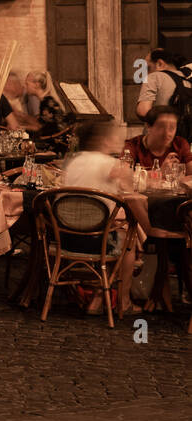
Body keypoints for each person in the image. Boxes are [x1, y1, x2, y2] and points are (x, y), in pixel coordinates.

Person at [59, 120, 136, 316]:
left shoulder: (73, 162)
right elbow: (130, 189)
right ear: (102, 140)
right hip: (96, 241)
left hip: (65, 239)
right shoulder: (109, 164)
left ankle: (99, 297)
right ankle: (124, 301)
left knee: (116, 232)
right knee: (129, 240)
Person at [124, 105, 192, 170]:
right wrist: (159, 173)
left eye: (172, 128)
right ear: (148, 126)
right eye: (161, 127)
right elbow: (123, 176)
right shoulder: (133, 145)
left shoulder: (180, 144)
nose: (167, 133)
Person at [136, 48, 182, 119]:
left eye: (147, 68)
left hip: (161, 128)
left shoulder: (154, 77)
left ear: (160, 64)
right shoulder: (186, 77)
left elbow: (143, 111)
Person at [20, 70, 66, 139]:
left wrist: (21, 127)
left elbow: (38, 127)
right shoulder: (46, 100)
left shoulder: (46, 102)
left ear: (37, 85)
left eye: (27, 84)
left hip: (55, 143)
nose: (25, 86)